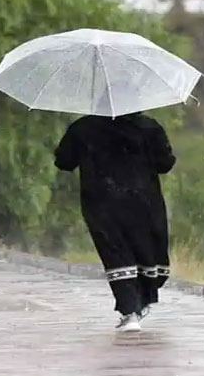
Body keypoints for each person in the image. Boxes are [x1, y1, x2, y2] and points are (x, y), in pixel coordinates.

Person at [53, 111, 175, 332]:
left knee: (115, 253)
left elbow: (64, 161)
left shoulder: (83, 128)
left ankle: (131, 311)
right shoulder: (149, 127)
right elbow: (165, 163)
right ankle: (140, 302)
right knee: (145, 252)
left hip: (101, 202)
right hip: (144, 202)